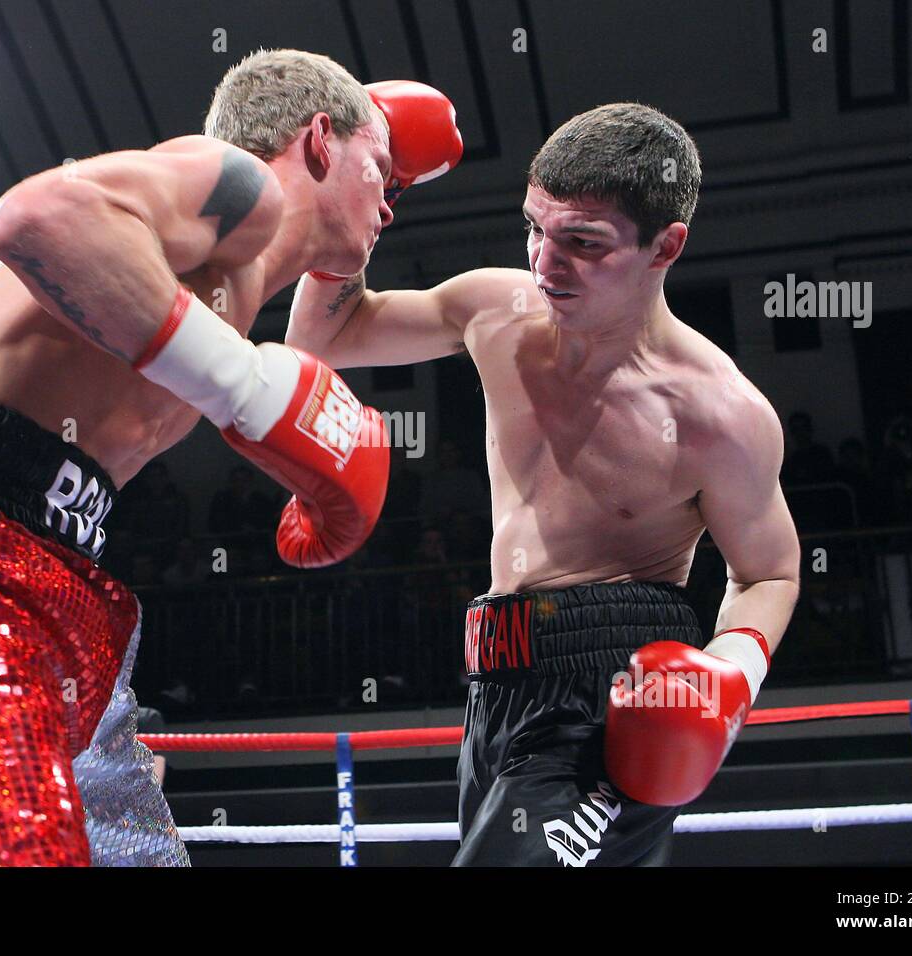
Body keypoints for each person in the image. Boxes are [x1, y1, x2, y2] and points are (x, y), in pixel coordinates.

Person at [0, 50, 460, 867]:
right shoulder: (236, 187)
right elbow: (34, 219)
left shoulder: (235, 299)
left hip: (71, 582)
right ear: (319, 140)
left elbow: (304, 341)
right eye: (382, 173)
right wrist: (243, 386)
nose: (389, 207)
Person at [287, 103, 800, 866]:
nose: (545, 262)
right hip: (496, 679)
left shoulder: (719, 414)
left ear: (666, 246)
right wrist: (364, 188)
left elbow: (771, 571)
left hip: (612, 692)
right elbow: (321, 338)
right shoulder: (497, 311)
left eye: (583, 244)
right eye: (535, 227)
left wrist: (730, 673)